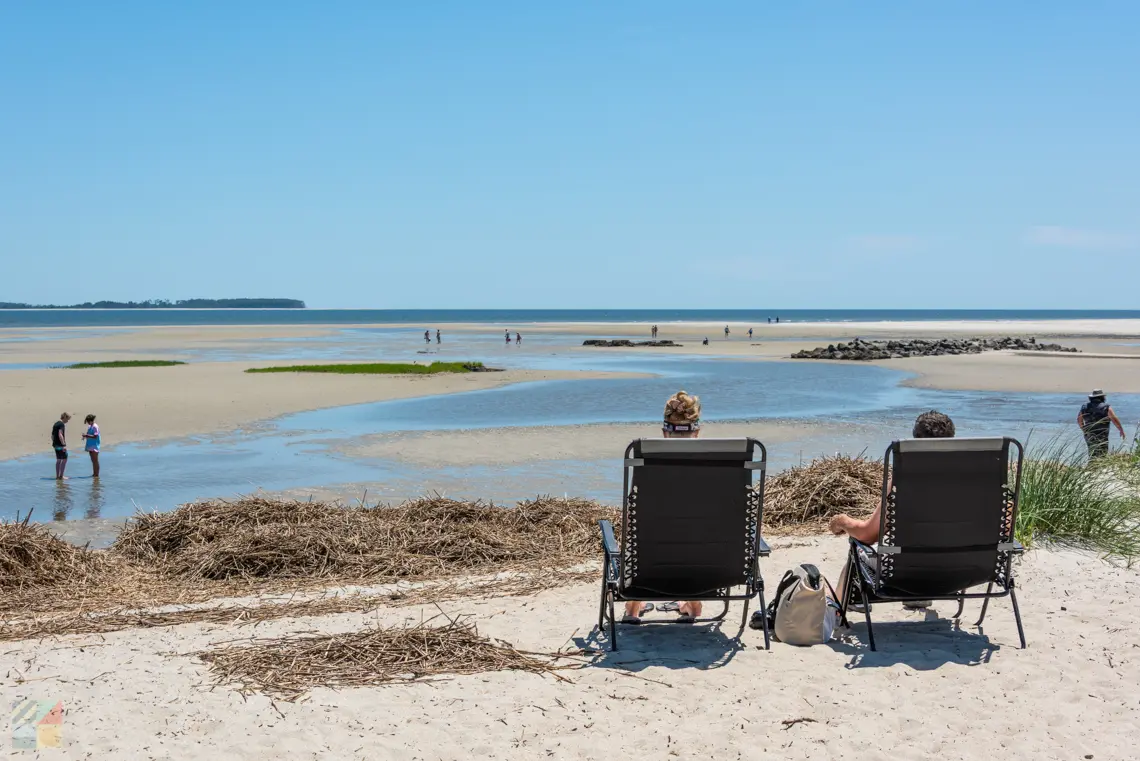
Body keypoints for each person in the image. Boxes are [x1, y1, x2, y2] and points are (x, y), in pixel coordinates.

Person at [829, 410, 957, 611]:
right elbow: (1004, 526)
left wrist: (842, 521)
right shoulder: (974, 478)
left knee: (858, 550)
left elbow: (868, 535)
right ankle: (919, 598)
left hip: (907, 575)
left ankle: (838, 605)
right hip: (958, 574)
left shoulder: (905, 477)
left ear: (916, 441)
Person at [623, 390, 706, 625]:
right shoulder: (720, 465)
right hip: (708, 564)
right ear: (697, 431)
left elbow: (633, 521)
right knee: (696, 537)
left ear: (664, 432)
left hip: (652, 562)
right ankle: (694, 603)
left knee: (637, 535)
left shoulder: (648, 463)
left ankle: (634, 606)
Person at [1078, 389, 1125, 459]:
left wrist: (1084, 430)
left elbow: (1079, 420)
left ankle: (1092, 467)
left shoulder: (1084, 407)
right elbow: (1114, 419)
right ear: (1102, 397)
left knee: (1092, 452)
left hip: (1089, 434)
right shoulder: (1106, 407)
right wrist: (1121, 429)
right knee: (1102, 453)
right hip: (1102, 434)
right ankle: (1098, 468)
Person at [51, 412, 71, 480]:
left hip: (55, 445)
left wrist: (54, 443)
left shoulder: (55, 424)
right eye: (67, 419)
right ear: (64, 417)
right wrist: (64, 445)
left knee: (59, 460)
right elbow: (60, 434)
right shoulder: (61, 424)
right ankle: (61, 476)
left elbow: (52, 436)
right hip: (60, 445)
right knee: (65, 459)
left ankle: (57, 476)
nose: (67, 421)